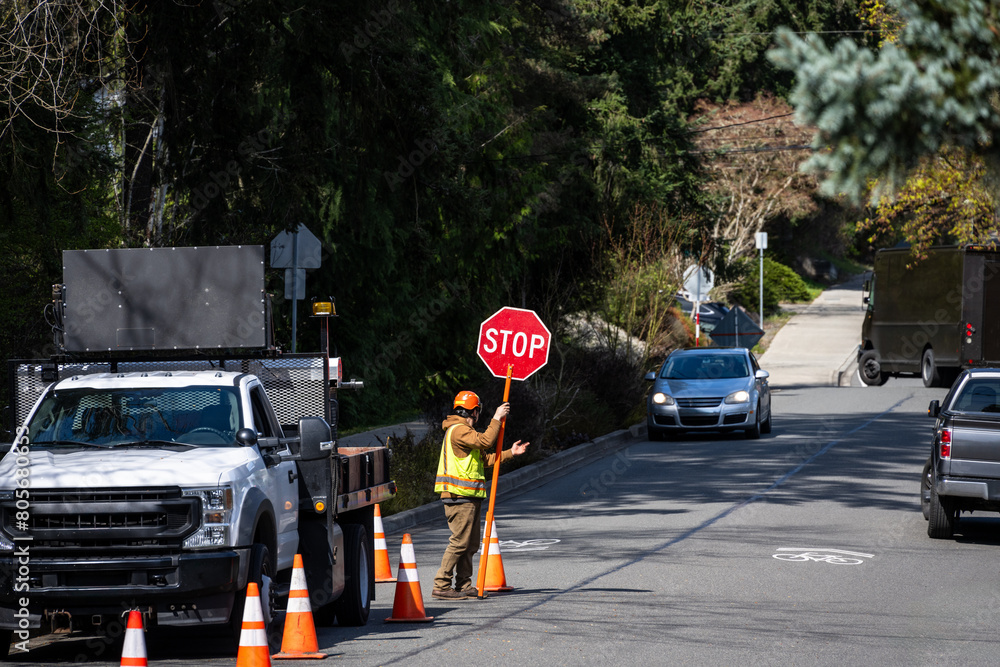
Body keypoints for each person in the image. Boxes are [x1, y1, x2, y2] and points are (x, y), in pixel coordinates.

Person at [432, 390, 529, 600]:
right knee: (460, 542)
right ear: (474, 412)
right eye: (477, 412)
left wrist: (511, 452)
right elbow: (486, 441)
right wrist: (496, 418)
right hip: (459, 496)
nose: (478, 416)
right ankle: (441, 584)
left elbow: (485, 459)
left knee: (471, 543)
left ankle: (464, 584)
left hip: (469, 495)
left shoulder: (466, 433)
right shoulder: (459, 430)